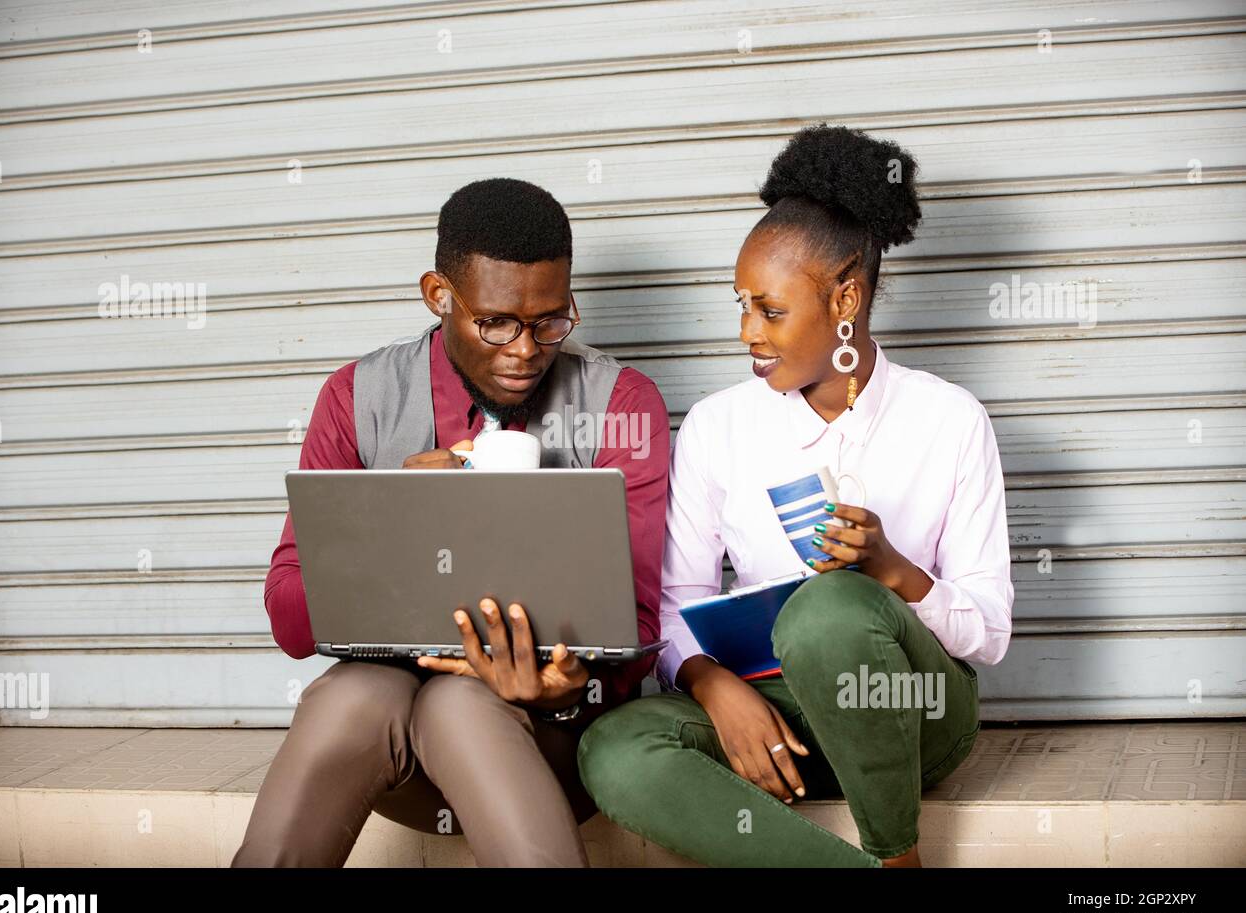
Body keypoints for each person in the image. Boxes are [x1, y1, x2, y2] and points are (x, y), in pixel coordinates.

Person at [576, 124, 1014, 867]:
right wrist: (712, 684)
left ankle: (896, 849)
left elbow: (989, 632)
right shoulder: (719, 425)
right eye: (741, 304)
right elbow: (676, 600)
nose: (747, 331)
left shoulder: (950, 420)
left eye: (770, 310)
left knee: (829, 607)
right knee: (616, 747)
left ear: (845, 297)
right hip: (775, 715)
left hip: (911, 716)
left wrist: (892, 571)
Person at [232, 178, 670, 867]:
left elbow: (643, 622)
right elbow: (289, 619)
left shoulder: (621, 403)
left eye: (550, 321)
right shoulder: (357, 399)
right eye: (495, 322)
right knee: (351, 695)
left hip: (548, 743)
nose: (525, 349)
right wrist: (391, 519)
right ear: (438, 294)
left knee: (458, 704)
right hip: (393, 757)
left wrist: (568, 681)